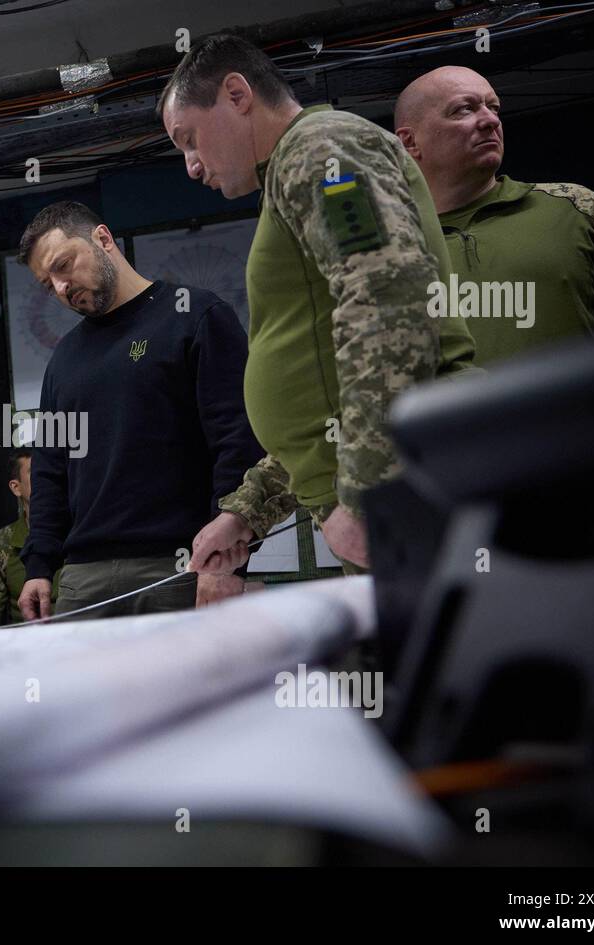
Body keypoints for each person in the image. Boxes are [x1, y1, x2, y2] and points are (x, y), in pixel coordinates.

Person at [157, 33, 478, 576]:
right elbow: (326, 405)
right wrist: (248, 512)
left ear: (237, 94)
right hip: (390, 487)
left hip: (397, 491)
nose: (191, 165)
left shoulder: (320, 149)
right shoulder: (295, 167)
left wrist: (366, 490)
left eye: (189, 139)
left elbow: (385, 300)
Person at [16, 201, 260, 621]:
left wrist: (227, 561)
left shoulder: (196, 317)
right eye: (46, 282)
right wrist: (38, 566)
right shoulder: (63, 360)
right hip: (81, 579)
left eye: (64, 264)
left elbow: (238, 442)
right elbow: (50, 471)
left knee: (191, 688)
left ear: (104, 239)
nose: (59, 287)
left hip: (181, 568)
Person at [394, 65, 594, 366]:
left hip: (585, 412)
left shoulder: (574, 208)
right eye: (464, 109)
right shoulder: (391, 251)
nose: (490, 120)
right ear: (410, 142)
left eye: (494, 108)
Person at [0, 449, 59, 628]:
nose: (46, 478)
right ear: (17, 487)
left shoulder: (81, 533)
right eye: (36, 471)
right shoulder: (1, 545)